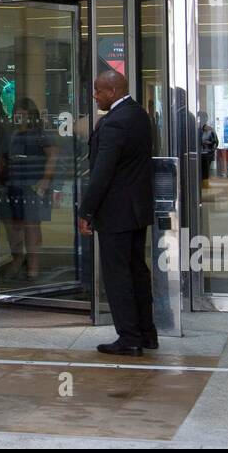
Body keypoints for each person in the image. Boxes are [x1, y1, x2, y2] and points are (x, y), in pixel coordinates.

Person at [79, 70, 157, 356]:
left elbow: (103, 172)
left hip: (116, 212)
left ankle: (129, 338)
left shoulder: (114, 122)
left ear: (112, 91)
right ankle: (147, 333)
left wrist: (86, 209)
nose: (95, 95)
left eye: (98, 91)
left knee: (118, 275)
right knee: (137, 271)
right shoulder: (138, 115)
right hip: (137, 210)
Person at [2, 97, 55, 281]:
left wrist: (45, 179)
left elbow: (52, 156)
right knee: (14, 226)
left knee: (32, 225)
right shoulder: (12, 134)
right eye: (17, 114)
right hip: (14, 184)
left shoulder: (40, 134)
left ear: (31, 115)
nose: (20, 118)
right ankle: (18, 260)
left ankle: (33, 267)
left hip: (33, 184)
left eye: (23, 115)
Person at [198, 112, 219, 186]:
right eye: (199, 118)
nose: (201, 120)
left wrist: (208, 144)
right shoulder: (197, 129)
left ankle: (205, 185)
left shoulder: (210, 130)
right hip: (198, 154)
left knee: (205, 172)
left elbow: (216, 142)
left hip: (207, 154)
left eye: (203, 118)